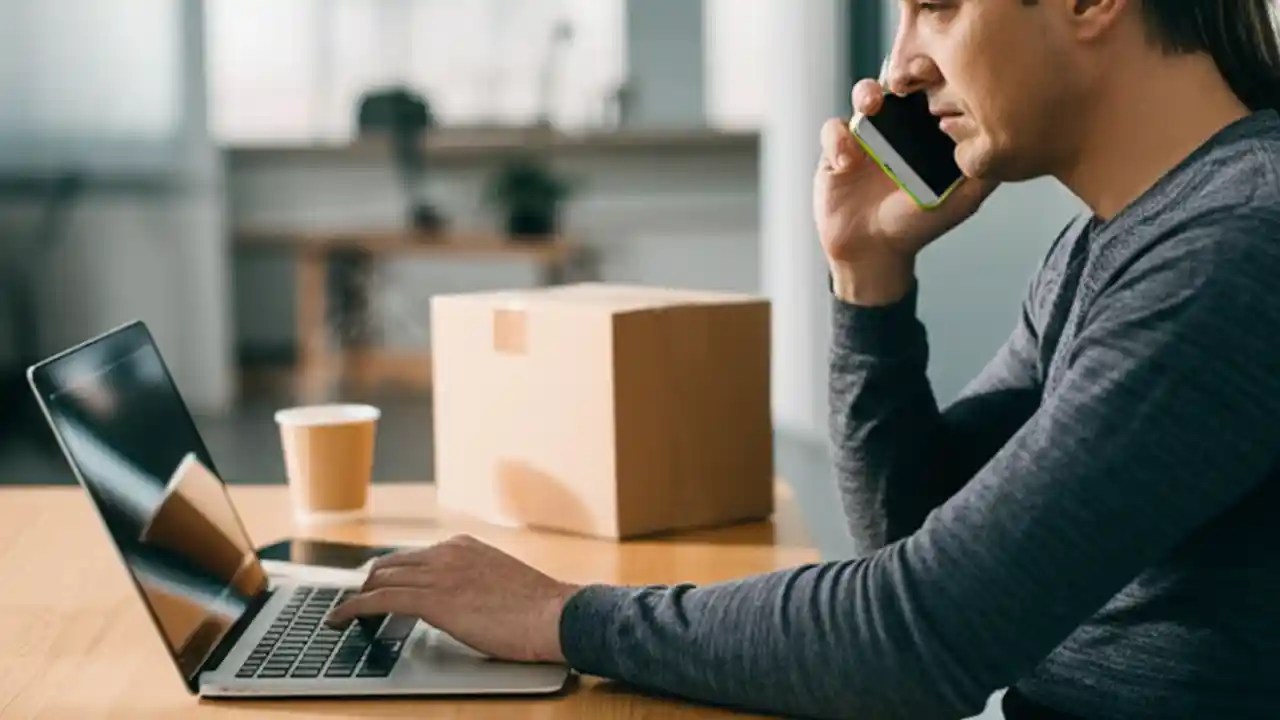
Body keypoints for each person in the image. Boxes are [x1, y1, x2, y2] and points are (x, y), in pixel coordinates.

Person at [327, 1, 1280, 717]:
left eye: (937, 7)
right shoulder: (1116, 242)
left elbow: (920, 636)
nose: (900, 65)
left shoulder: (1229, 250)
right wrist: (868, 272)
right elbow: (915, 534)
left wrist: (557, 616)